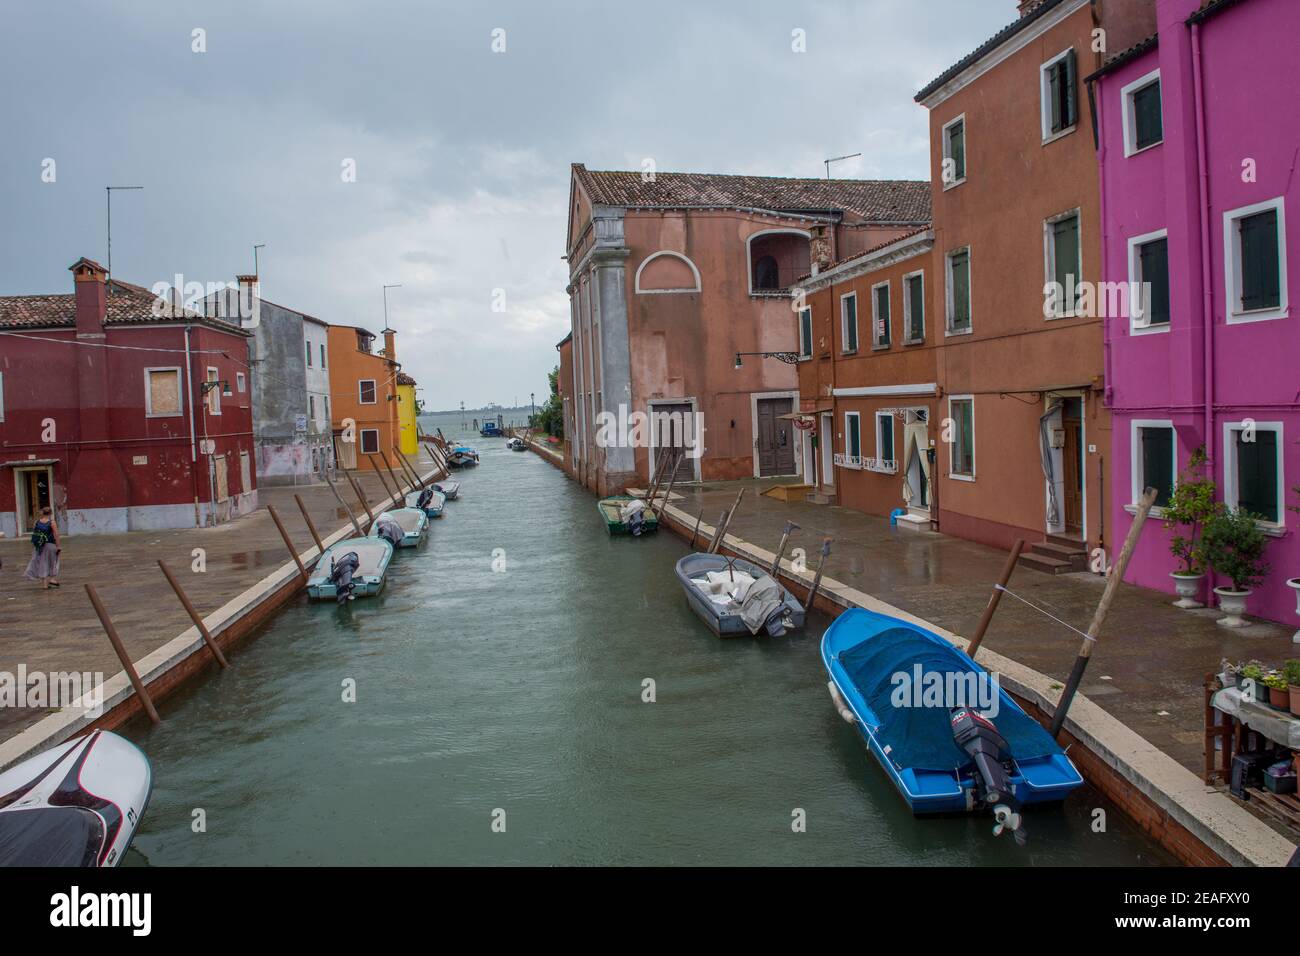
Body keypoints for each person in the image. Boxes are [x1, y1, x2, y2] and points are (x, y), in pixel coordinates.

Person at [24, 507, 61, 589]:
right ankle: (52, 579)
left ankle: (45, 584)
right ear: (50, 513)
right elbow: (56, 535)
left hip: (39, 546)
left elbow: (35, 534)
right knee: (53, 562)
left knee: (42, 563)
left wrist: (34, 546)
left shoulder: (36, 522)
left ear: (43, 513)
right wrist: (58, 546)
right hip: (50, 545)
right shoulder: (52, 522)